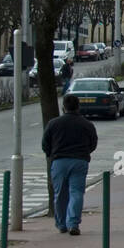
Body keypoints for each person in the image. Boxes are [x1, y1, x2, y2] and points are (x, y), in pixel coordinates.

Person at [41, 93, 97, 236]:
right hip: (79, 161)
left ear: (63, 107)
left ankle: (61, 224)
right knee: (76, 192)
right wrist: (84, 153)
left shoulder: (53, 123)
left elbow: (45, 144)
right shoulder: (87, 124)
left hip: (59, 161)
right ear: (78, 107)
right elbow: (93, 143)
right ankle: (73, 223)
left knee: (60, 194)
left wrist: (51, 154)